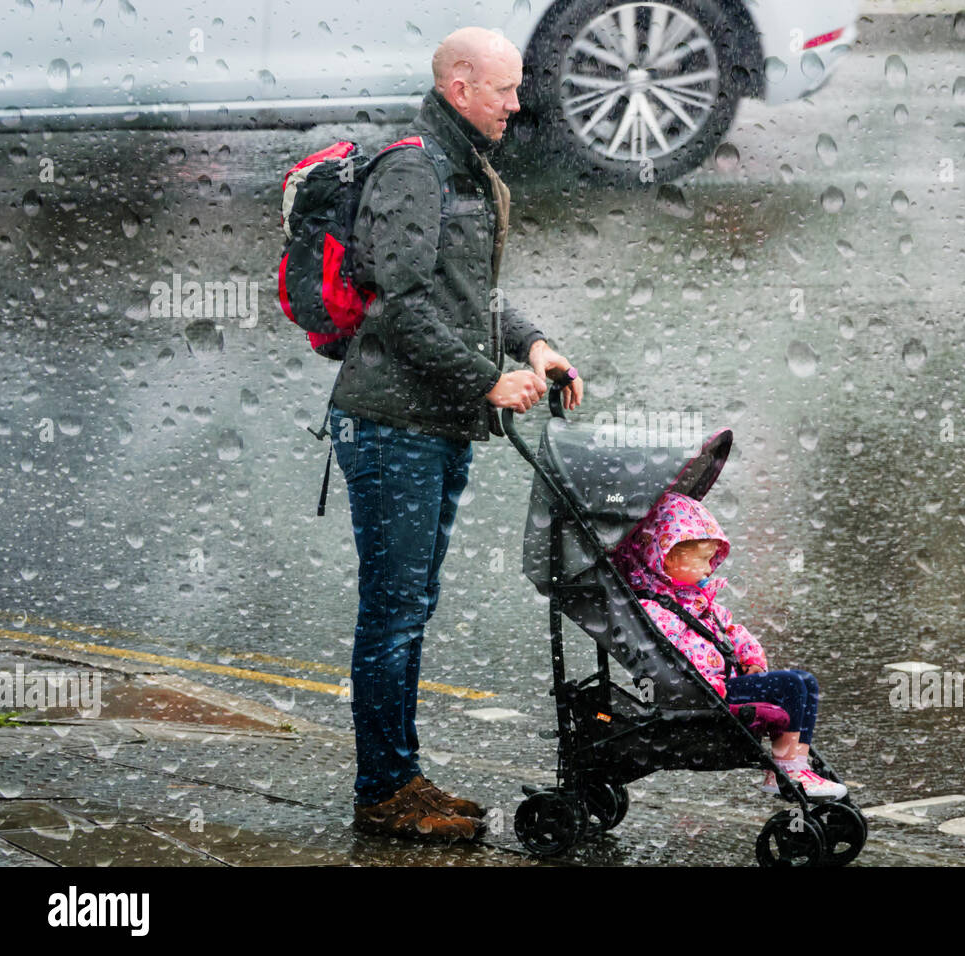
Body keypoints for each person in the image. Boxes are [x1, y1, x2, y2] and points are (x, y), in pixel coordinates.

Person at [327, 27, 583, 841]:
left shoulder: (462, 163)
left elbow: (470, 295)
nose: (518, 103)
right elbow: (399, 309)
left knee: (410, 605)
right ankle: (385, 790)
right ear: (460, 85)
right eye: (505, 89)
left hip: (430, 425)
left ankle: (400, 778)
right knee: (395, 612)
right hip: (390, 427)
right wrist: (486, 380)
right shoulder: (414, 169)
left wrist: (534, 345)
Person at [614, 491, 847, 799]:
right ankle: (787, 770)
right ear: (668, 557)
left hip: (721, 684)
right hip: (707, 693)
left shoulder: (693, 599)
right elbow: (673, 656)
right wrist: (710, 684)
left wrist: (750, 656)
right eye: (702, 560)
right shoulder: (656, 610)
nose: (710, 568)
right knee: (791, 686)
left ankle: (795, 763)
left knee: (805, 682)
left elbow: (731, 630)